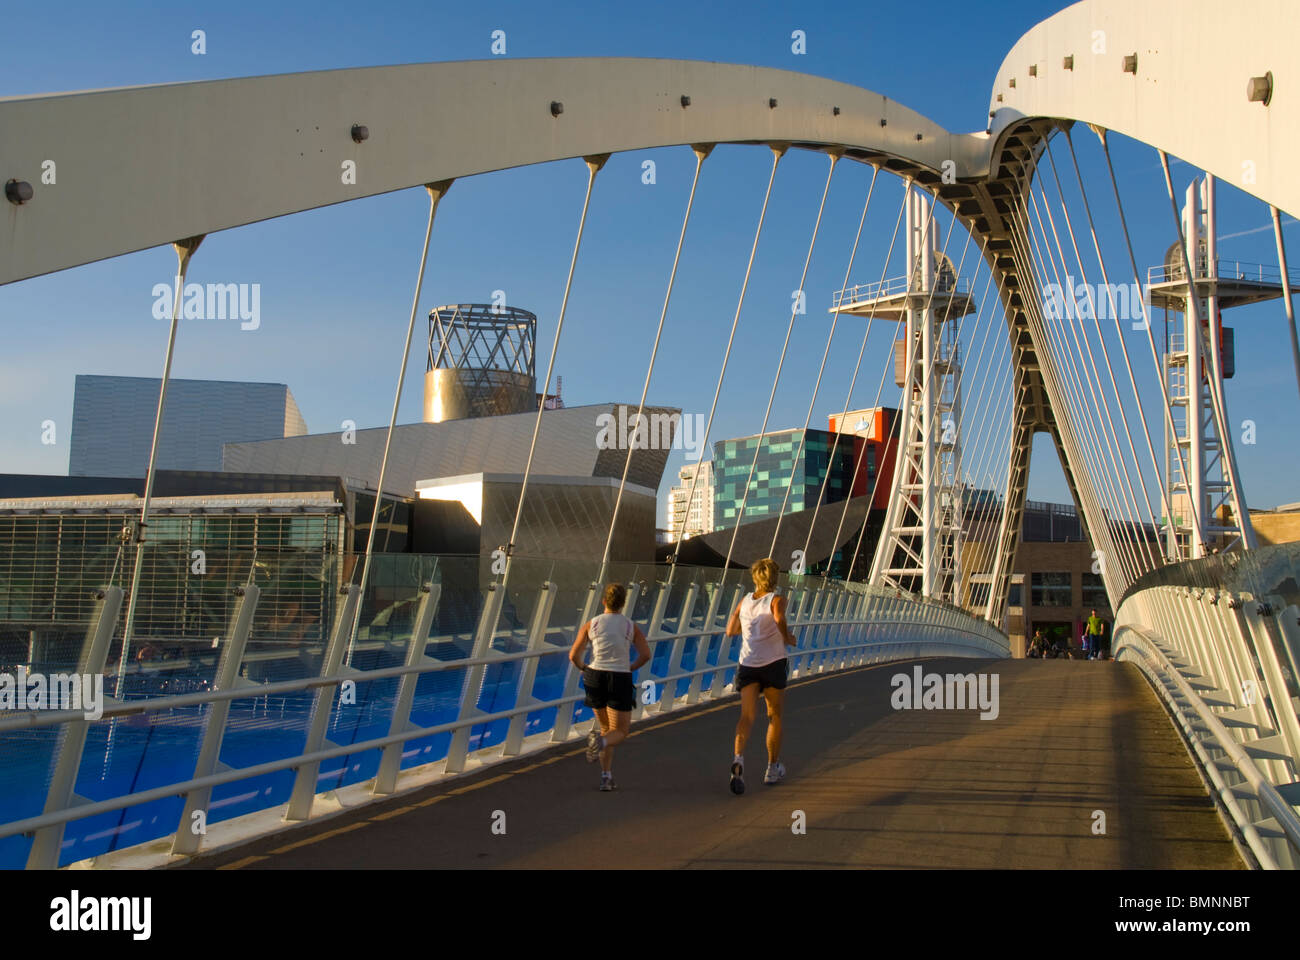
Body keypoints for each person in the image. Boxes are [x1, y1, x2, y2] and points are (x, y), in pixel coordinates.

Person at [724, 557, 796, 794]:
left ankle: (738, 759)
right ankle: (772, 768)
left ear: (755, 578)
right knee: (774, 716)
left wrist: (747, 627)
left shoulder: (744, 602)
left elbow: (730, 630)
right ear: (774, 578)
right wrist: (787, 637)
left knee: (746, 717)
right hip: (773, 663)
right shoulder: (776, 600)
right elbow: (779, 618)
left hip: (748, 664)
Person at [569, 583, 651, 792]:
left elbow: (573, 656)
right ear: (623, 603)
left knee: (606, 730)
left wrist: (584, 668)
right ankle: (600, 745)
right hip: (619, 676)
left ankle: (606, 776)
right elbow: (645, 654)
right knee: (621, 730)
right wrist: (630, 667)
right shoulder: (630, 626)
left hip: (595, 676)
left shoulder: (591, 624)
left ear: (603, 601)